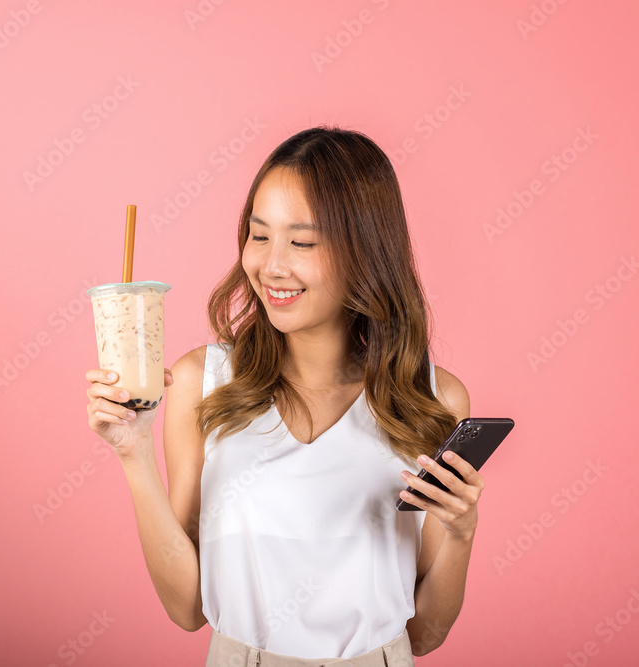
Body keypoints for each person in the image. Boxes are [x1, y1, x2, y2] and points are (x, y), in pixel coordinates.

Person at [85, 126, 482, 666]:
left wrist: (460, 531)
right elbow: (185, 607)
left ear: (365, 252)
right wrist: (132, 450)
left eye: (302, 242)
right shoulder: (205, 384)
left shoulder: (429, 400)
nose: (271, 266)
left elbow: (426, 633)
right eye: (258, 235)